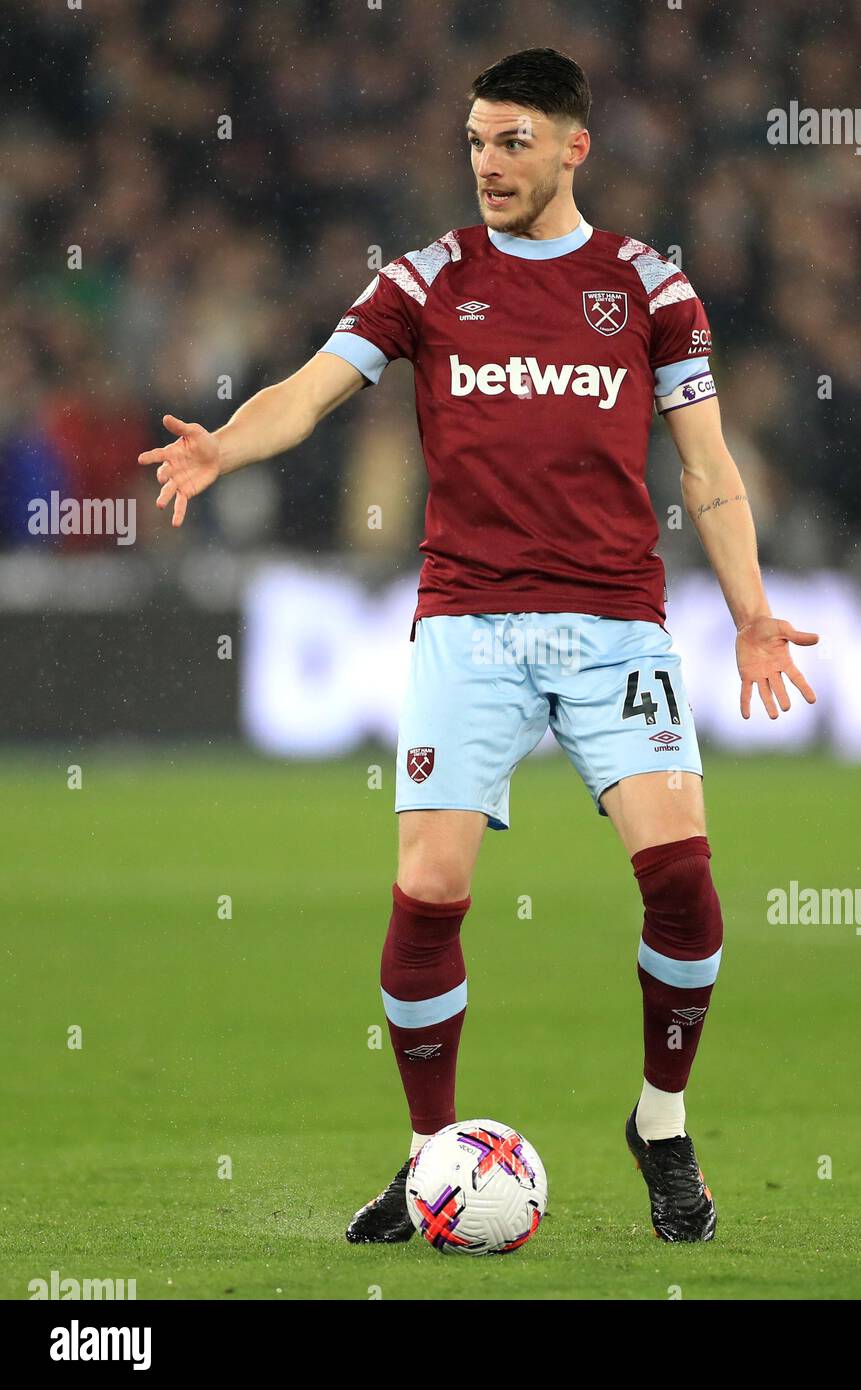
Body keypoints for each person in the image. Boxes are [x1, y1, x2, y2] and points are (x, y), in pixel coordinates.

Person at [138, 47, 817, 1244]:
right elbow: (307, 389)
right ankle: (425, 1160)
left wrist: (752, 610)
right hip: (468, 622)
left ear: (572, 147)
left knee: (682, 882)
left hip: (616, 623)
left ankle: (659, 1124)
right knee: (429, 887)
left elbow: (707, 471)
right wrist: (225, 446)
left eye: (512, 141)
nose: (488, 164)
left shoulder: (649, 288)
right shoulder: (428, 279)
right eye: (474, 141)